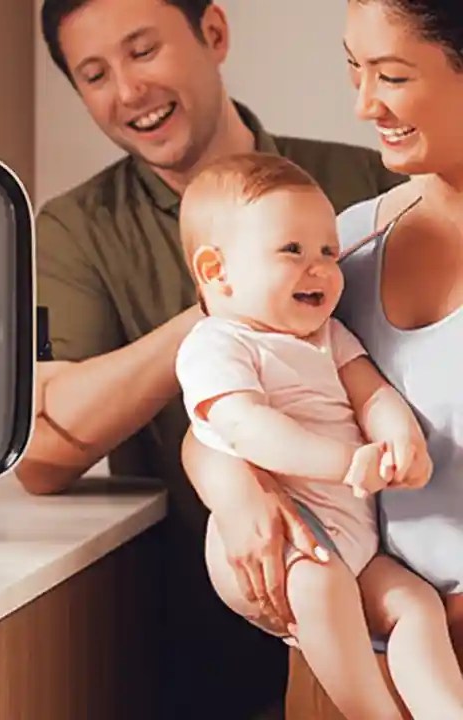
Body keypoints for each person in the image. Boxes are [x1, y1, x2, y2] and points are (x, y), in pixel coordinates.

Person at [23, 0, 405, 717]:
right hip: (196, 622)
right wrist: (218, 315)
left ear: (215, 35)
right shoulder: (78, 229)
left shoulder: (363, 188)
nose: (128, 92)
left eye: (143, 51)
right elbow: (42, 456)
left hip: (390, 593)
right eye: (95, 73)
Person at [182, 0, 463, 707]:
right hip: (347, 664)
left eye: (392, 76)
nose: (366, 104)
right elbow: (217, 415)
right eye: (353, 71)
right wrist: (237, 493)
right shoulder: (339, 247)